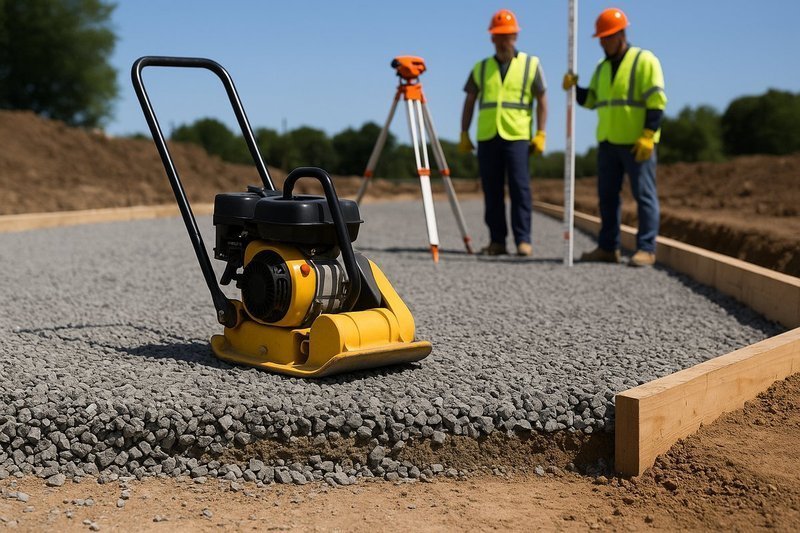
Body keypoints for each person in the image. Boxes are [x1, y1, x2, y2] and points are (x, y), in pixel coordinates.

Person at [562, 7, 667, 267]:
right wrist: (575, 89)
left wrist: (648, 134)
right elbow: (593, 101)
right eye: (601, 38)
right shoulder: (601, 68)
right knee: (607, 196)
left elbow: (657, 101)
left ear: (621, 34)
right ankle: (608, 247)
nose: (604, 43)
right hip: (608, 141)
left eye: (608, 37)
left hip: (636, 143)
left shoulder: (645, 61)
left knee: (644, 195)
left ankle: (646, 248)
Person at [459, 8, 548, 257]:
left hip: (518, 136)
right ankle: (497, 241)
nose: (503, 40)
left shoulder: (531, 65)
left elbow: (542, 100)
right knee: (492, 190)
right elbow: (469, 101)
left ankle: (523, 240)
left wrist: (541, 132)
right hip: (488, 136)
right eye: (498, 36)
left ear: (515, 36)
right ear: (492, 38)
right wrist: (464, 132)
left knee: (520, 188)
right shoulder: (481, 67)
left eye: (507, 35)